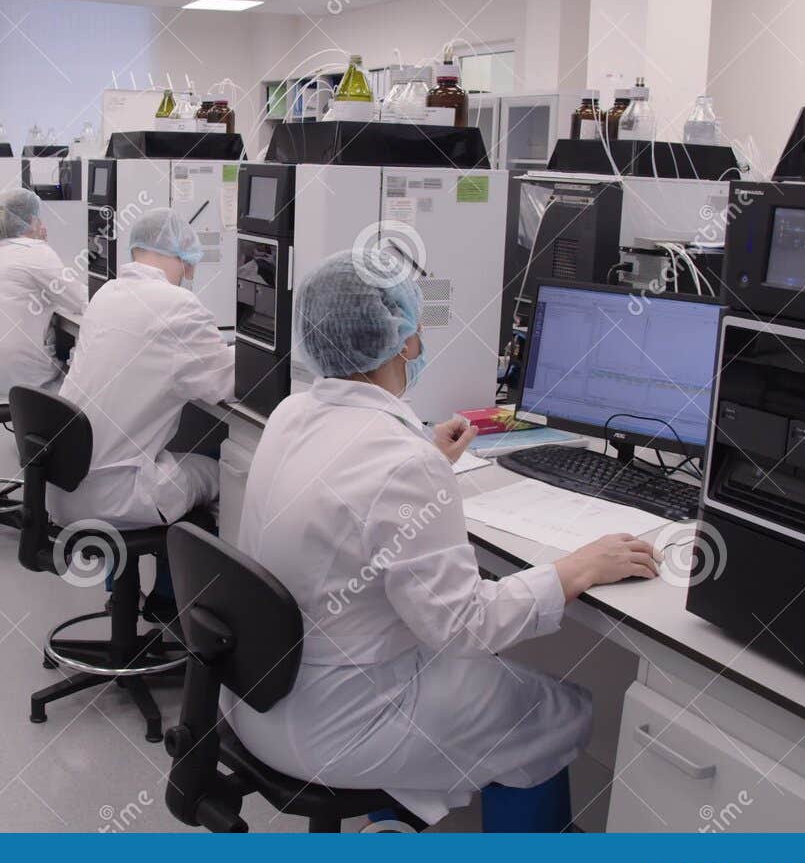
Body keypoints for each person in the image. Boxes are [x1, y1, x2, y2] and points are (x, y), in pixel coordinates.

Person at [226, 249, 660, 832]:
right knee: (555, 713)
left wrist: (423, 458)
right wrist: (577, 568)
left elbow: (350, 494)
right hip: (336, 726)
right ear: (402, 339)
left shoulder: (292, 413)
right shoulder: (400, 464)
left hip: (259, 698)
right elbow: (463, 628)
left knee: (471, 687)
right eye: (417, 320)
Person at [52, 208, 232, 610]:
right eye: (190, 265)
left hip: (64, 484)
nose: (190, 273)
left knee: (173, 447)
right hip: (116, 495)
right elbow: (226, 384)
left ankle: (129, 594)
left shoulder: (107, 294)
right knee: (224, 471)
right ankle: (188, 607)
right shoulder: (178, 307)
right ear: (183, 256)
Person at [0, 188, 85, 404]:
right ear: (33, 219)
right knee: (79, 374)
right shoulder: (35, 251)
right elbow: (80, 299)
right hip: (19, 378)